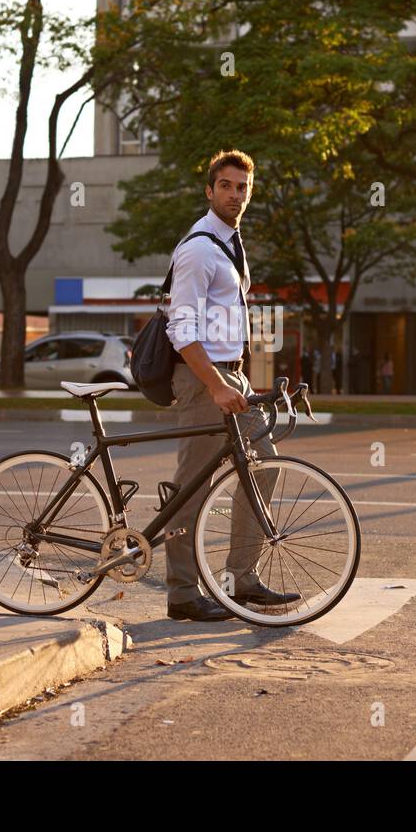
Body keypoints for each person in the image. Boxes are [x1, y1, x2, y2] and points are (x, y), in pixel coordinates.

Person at [163, 149, 300, 622]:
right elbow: (182, 330)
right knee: (193, 488)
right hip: (204, 380)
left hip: (231, 372)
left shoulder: (231, 243)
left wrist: (247, 378)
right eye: (226, 185)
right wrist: (218, 384)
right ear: (209, 190)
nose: (235, 195)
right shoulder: (199, 249)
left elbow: (232, 321)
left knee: (263, 466)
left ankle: (243, 579)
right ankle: (182, 593)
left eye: (243, 187)